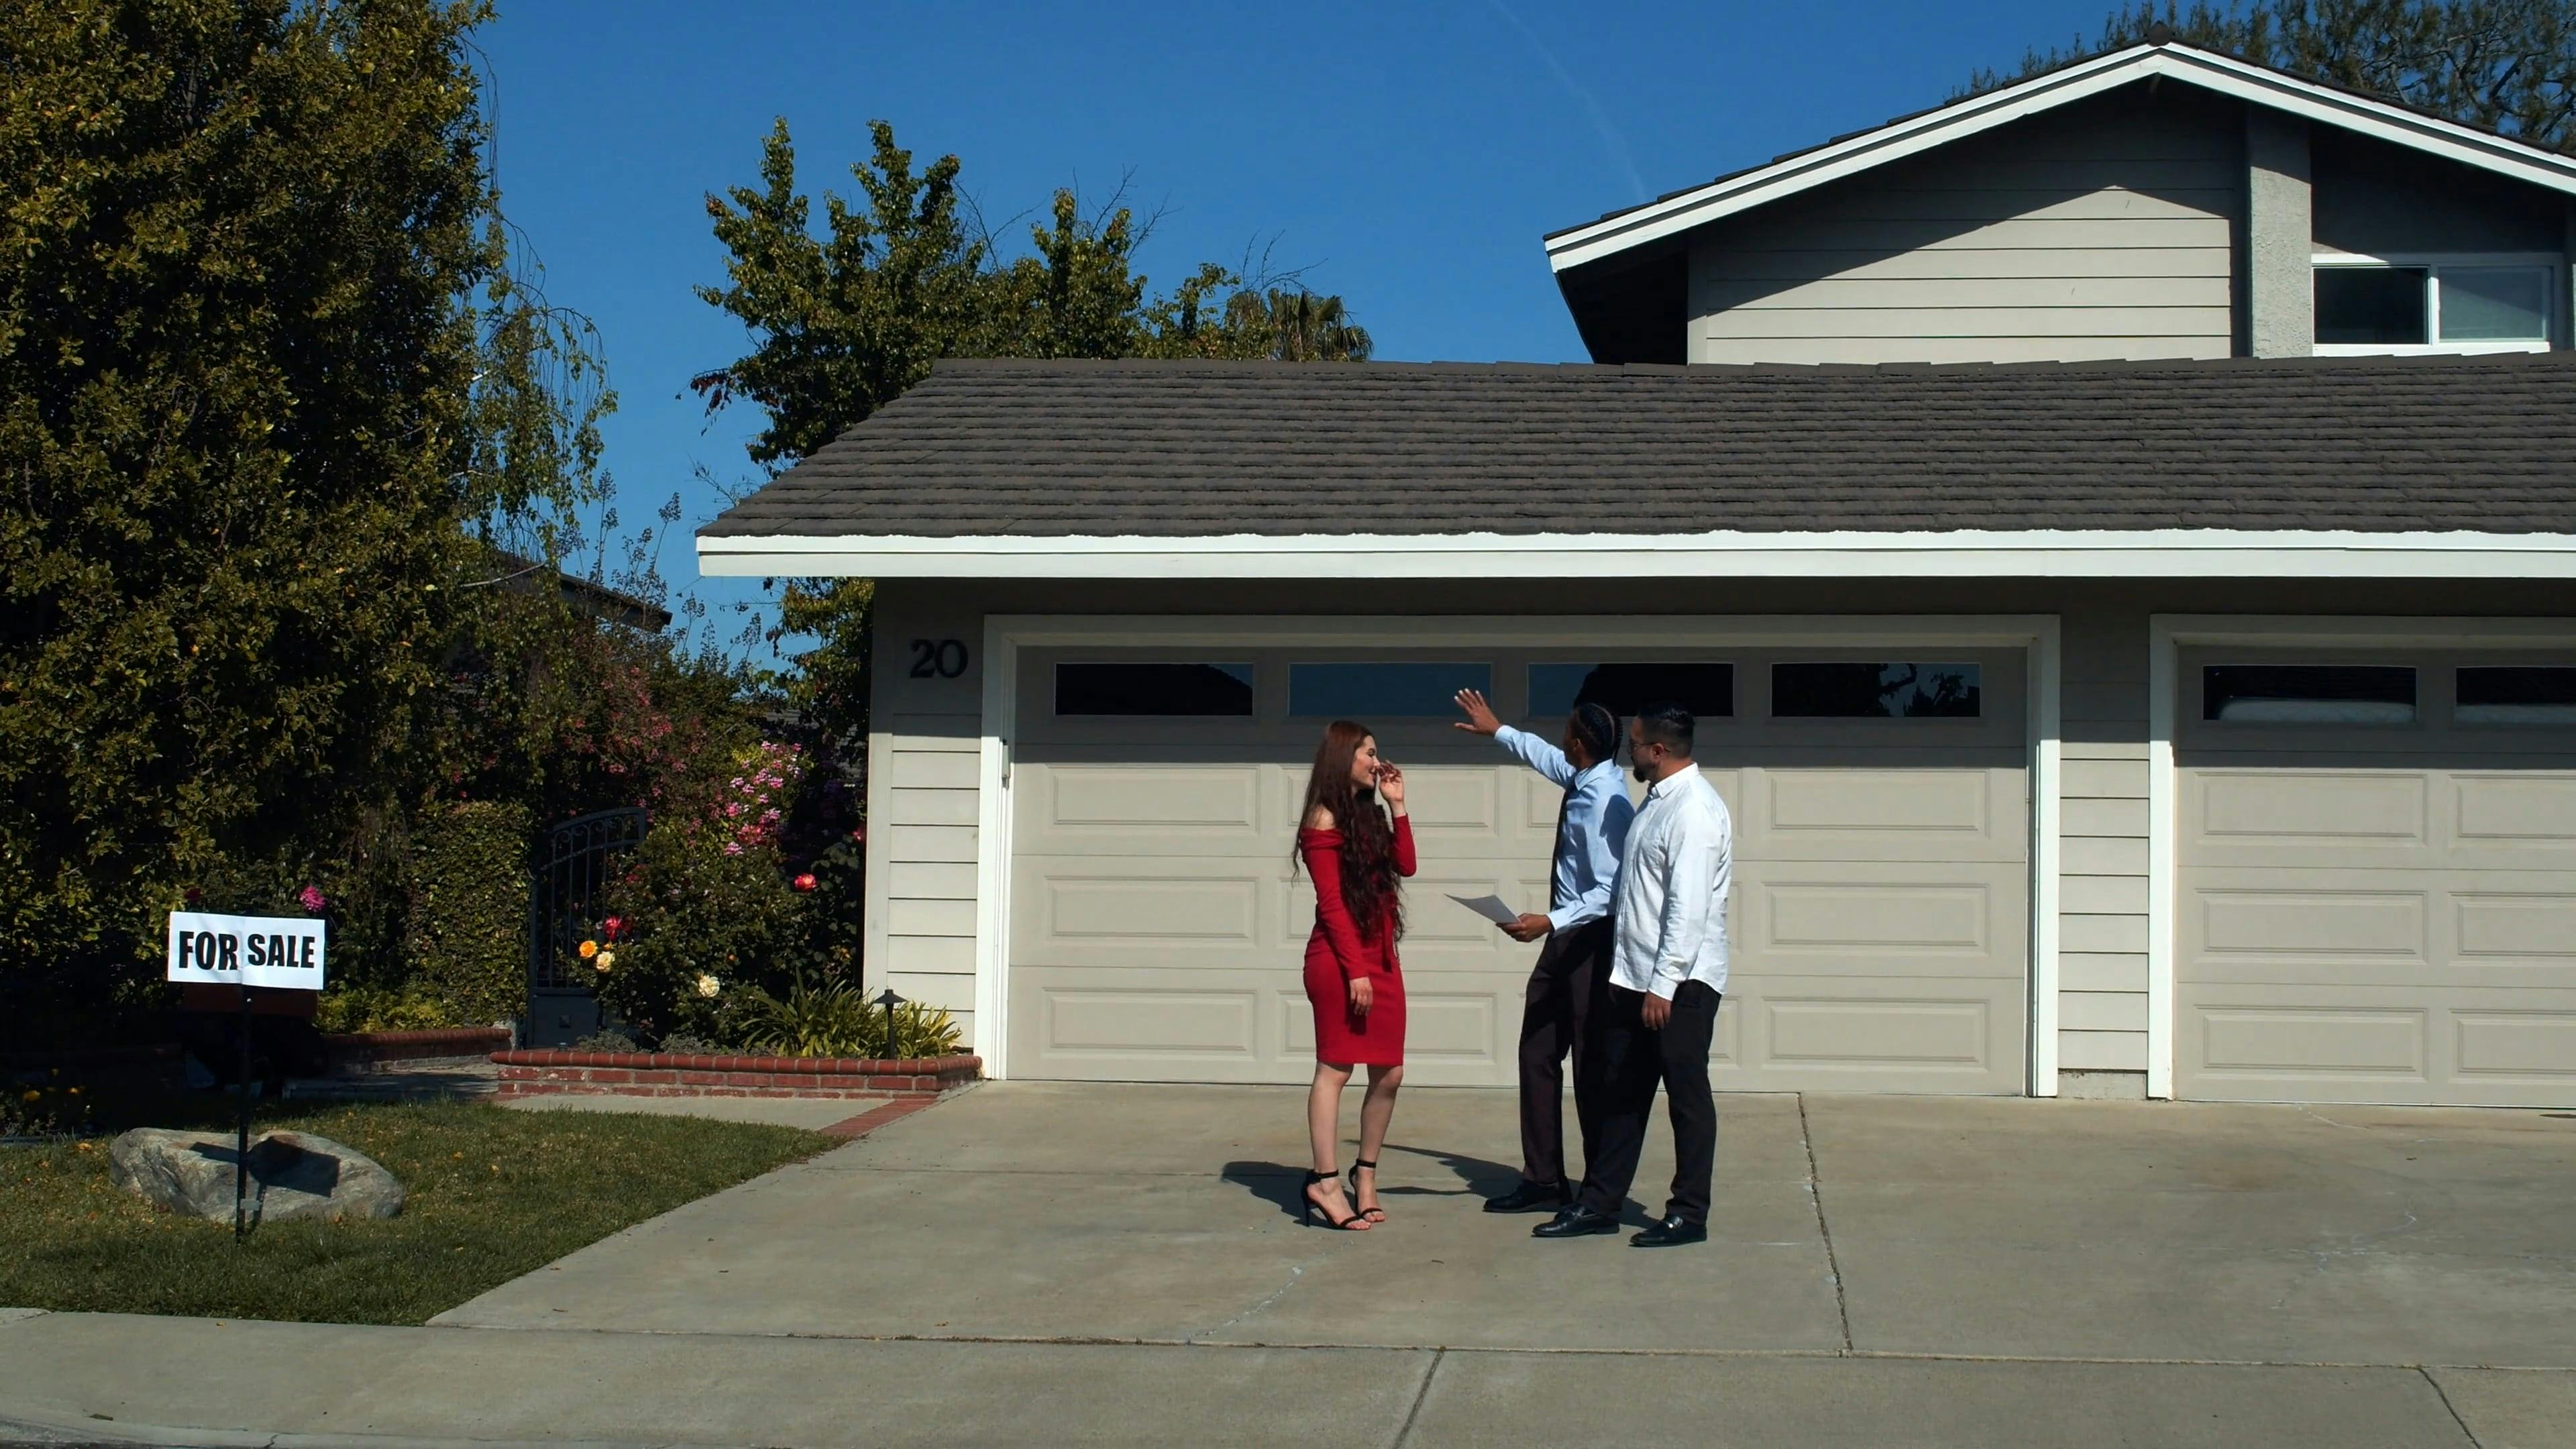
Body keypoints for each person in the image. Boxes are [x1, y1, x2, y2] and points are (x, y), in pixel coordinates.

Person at [1535, 702, 1731, 1248]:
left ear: (1659, 751)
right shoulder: (1656, 803)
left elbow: (1687, 909)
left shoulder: (1692, 811)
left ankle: (1689, 1213)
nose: (1629, 752)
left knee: (1687, 1098)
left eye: (1636, 744)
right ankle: (1600, 1203)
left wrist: (1663, 986)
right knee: (1619, 1091)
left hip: (1680, 986)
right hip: (1637, 979)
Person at [1452, 688, 1633, 1214]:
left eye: (1567, 730)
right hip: (1563, 940)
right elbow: (1543, 756)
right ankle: (1543, 1180)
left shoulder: (1606, 802)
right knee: (1537, 1053)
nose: (1560, 737)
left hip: (1590, 940)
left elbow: (1611, 890)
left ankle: (1600, 1193)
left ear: (1579, 742)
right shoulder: (1583, 775)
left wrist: (1548, 921)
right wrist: (1499, 729)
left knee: (1590, 1066)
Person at [1293, 720, 1415, 1230]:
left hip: (1380, 959)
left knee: (1389, 1071)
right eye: (1368, 753)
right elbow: (1333, 905)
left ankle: (1365, 1175)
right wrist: (1355, 972)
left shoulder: (1369, 816)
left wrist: (1398, 805)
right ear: (1344, 757)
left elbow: (1405, 866)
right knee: (1336, 1069)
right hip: (1340, 961)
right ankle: (1324, 1181)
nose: (1375, 760)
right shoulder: (1322, 820)